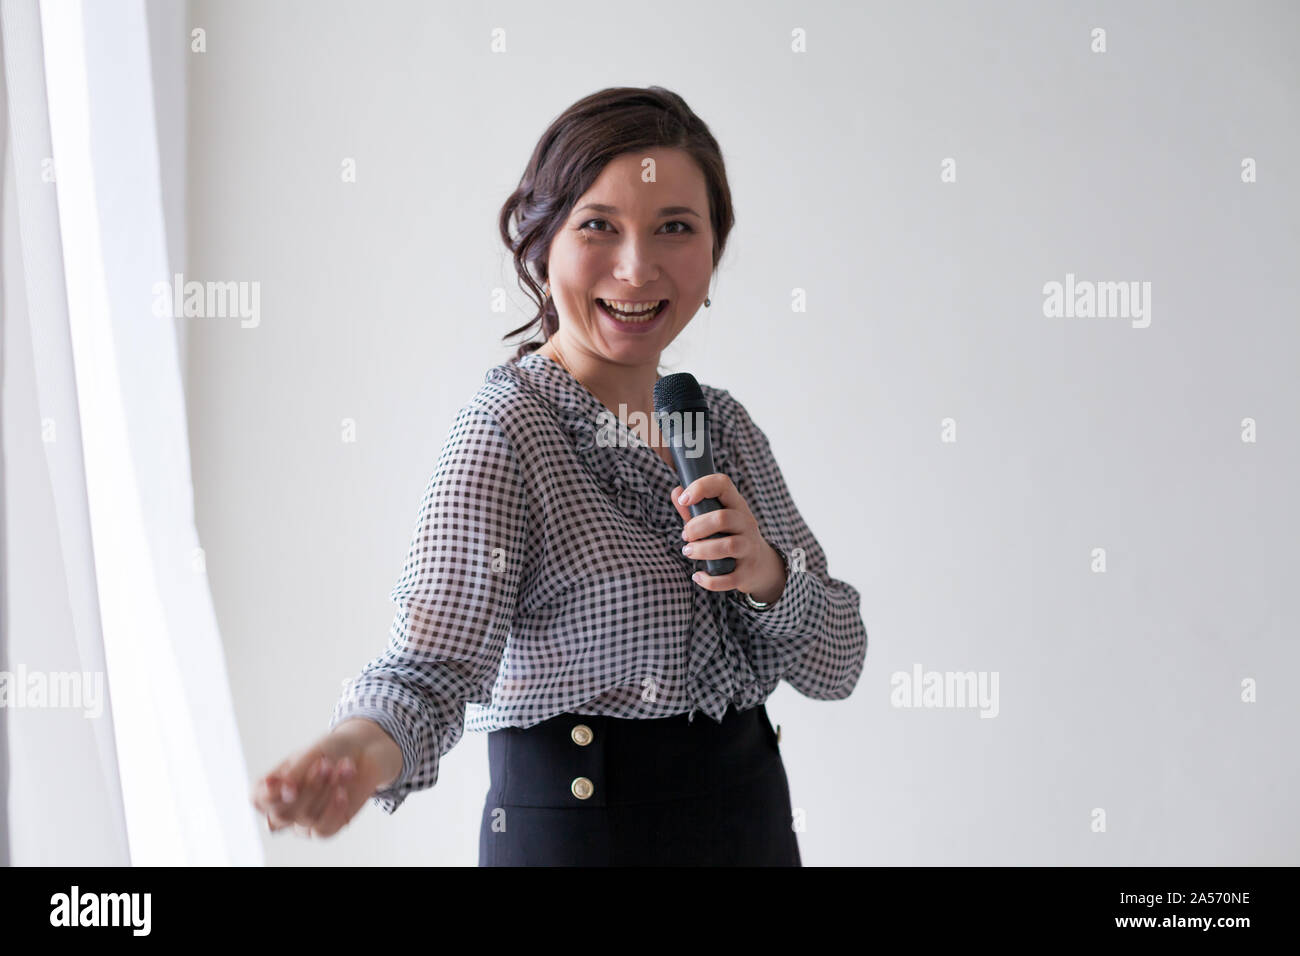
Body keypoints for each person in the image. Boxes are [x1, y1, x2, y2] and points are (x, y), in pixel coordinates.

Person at [250, 86, 868, 865]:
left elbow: (840, 660)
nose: (637, 267)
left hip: (749, 836)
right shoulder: (510, 428)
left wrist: (768, 575)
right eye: (598, 227)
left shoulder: (723, 427)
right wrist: (351, 757)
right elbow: (428, 668)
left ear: (714, 251)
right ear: (543, 243)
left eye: (675, 228)